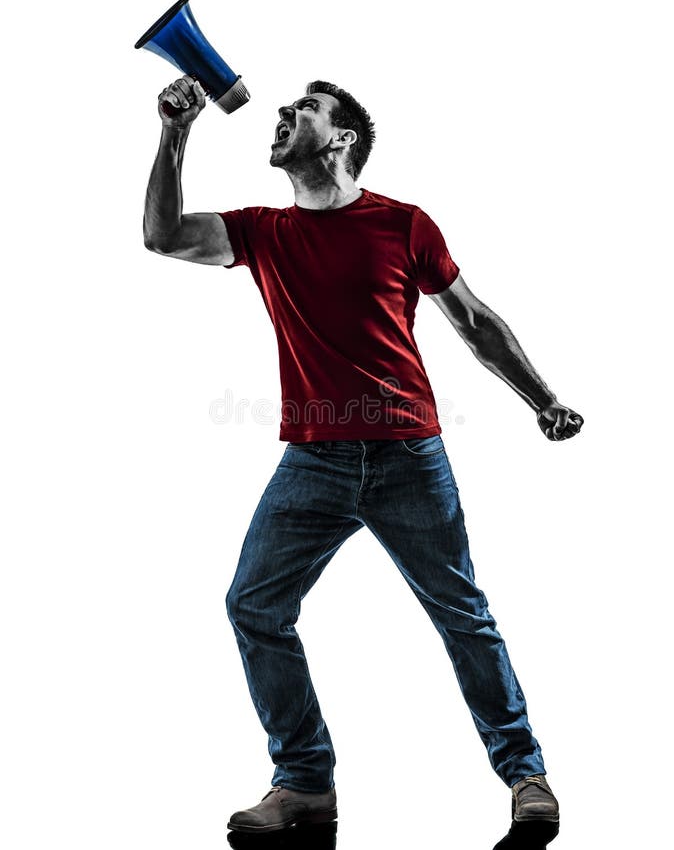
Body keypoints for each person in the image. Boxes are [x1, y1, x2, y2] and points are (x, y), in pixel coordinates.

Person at [143, 74, 583, 837]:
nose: (282, 114)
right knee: (254, 604)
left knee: (462, 617)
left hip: (409, 456)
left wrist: (542, 399)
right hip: (312, 463)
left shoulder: (404, 224)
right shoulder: (263, 231)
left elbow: (475, 322)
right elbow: (164, 235)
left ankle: (527, 777)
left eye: (303, 110)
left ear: (341, 138)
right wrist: (175, 133)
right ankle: (305, 785)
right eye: (285, 108)